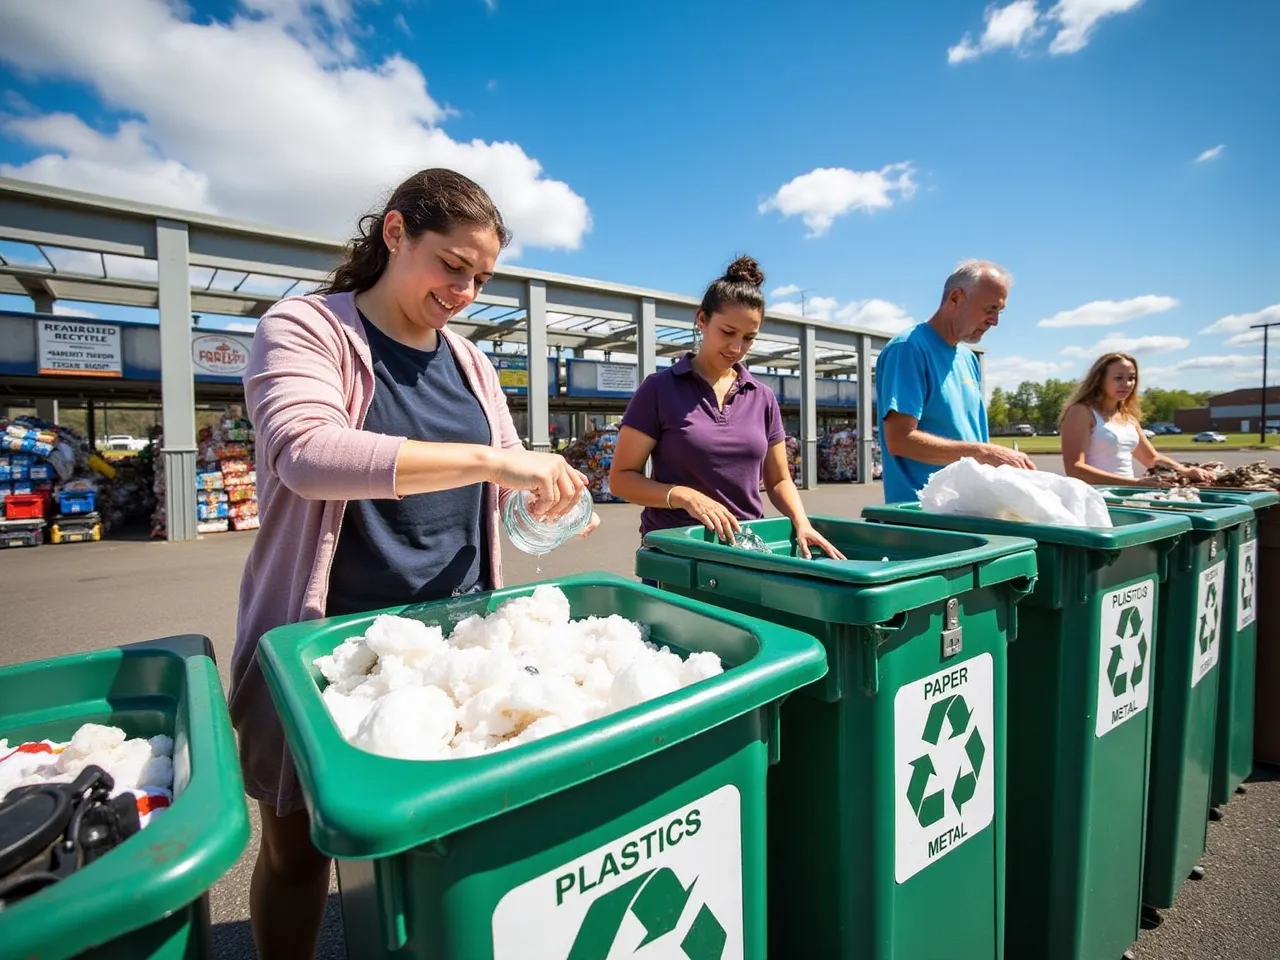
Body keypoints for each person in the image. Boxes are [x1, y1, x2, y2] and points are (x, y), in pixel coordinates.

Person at [227, 168, 598, 960]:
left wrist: (539, 506)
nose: (465, 290)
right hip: (326, 649)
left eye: (482, 277)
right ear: (395, 233)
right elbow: (306, 454)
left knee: (436, 852)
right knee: (299, 853)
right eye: (452, 265)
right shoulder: (306, 329)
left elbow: (497, 494)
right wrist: (495, 463)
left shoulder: (470, 364)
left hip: (452, 652)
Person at [608, 255, 843, 560]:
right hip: (676, 553)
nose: (736, 348)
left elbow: (779, 479)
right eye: (728, 332)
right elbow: (622, 478)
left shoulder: (762, 397)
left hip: (747, 552)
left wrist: (802, 522)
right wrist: (682, 495)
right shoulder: (659, 389)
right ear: (702, 320)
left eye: (749, 339)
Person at [876, 259, 1035, 502]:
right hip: (925, 516)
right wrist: (983, 453)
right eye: (989, 309)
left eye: (999, 311)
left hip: (970, 509)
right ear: (956, 298)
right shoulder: (909, 348)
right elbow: (899, 440)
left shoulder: (968, 358)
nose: (995, 321)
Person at [1059, 352, 1215, 486]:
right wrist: (1136, 483)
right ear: (1100, 380)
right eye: (1118, 378)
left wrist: (1186, 471)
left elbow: (1152, 459)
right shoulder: (1081, 412)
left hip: (1127, 493)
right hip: (1095, 497)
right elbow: (1075, 469)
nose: (1127, 384)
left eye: (1131, 378)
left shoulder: (1129, 418)